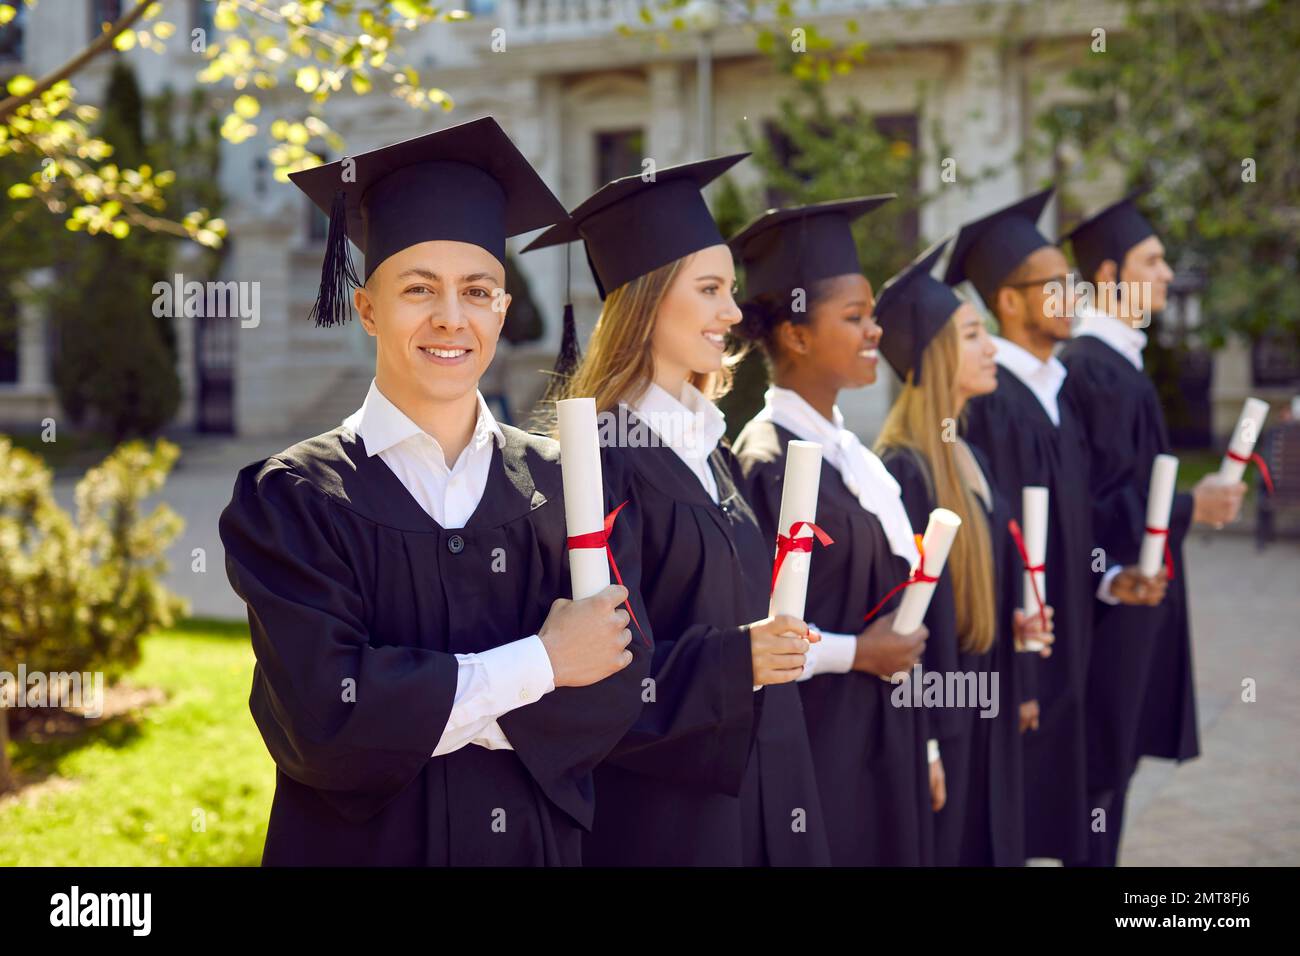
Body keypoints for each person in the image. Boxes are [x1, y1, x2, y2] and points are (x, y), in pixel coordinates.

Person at [218, 117, 650, 866]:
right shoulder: (293, 499)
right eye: (420, 289)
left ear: (502, 312)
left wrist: (416, 706)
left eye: (477, 291)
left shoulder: (566, 481)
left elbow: (614, 689)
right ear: (368, 309)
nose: (452, 317)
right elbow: (325, 723)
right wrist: (541, 666)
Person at [525, 154, 831, 866]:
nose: (734, 311)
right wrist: (737, 659)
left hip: (766, 788)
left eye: (731, 288)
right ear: (647, 299)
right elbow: (596, 677)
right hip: (668, 824)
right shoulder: (600, 456)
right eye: (711, 289)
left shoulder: (706, 445)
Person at [945, 188, 1159, 864]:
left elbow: (1077, 530)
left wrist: (1107, 581)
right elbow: (998, 552)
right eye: (1059, 287)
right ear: (1008, 302)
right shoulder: (994, 408)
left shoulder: (1056, 394)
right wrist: (1022, 675)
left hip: (1074, 653)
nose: (1075, 298)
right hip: (1023, 666)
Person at [730, 197, 937, 865]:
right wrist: (859, 653)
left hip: (883, 732)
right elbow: (761, 636)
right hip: (820, 746)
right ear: (795, 334)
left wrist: (924, 741)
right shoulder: (765, 461)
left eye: (871, 313)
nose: (876, 330)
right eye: (854, 317)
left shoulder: (853, 456)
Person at [1059, 190, 1244, 865]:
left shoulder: (1119, 367)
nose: (1168, 273)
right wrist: (1197, 507)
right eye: (1153, 260)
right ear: (1107, 276)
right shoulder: (1092, 371)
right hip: (1108, 613)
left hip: (1133, 606)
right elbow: (1097, 509)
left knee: (1113, 781)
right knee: (1100, 786)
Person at [875, 241, 1055, 866]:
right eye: (974, 333)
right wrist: (924, 746)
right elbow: (907, 624)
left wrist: (1015, 624)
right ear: (935, 353)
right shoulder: (903, 469)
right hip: (946, 722)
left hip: (987, 707)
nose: (990, 347)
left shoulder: (966, 455)